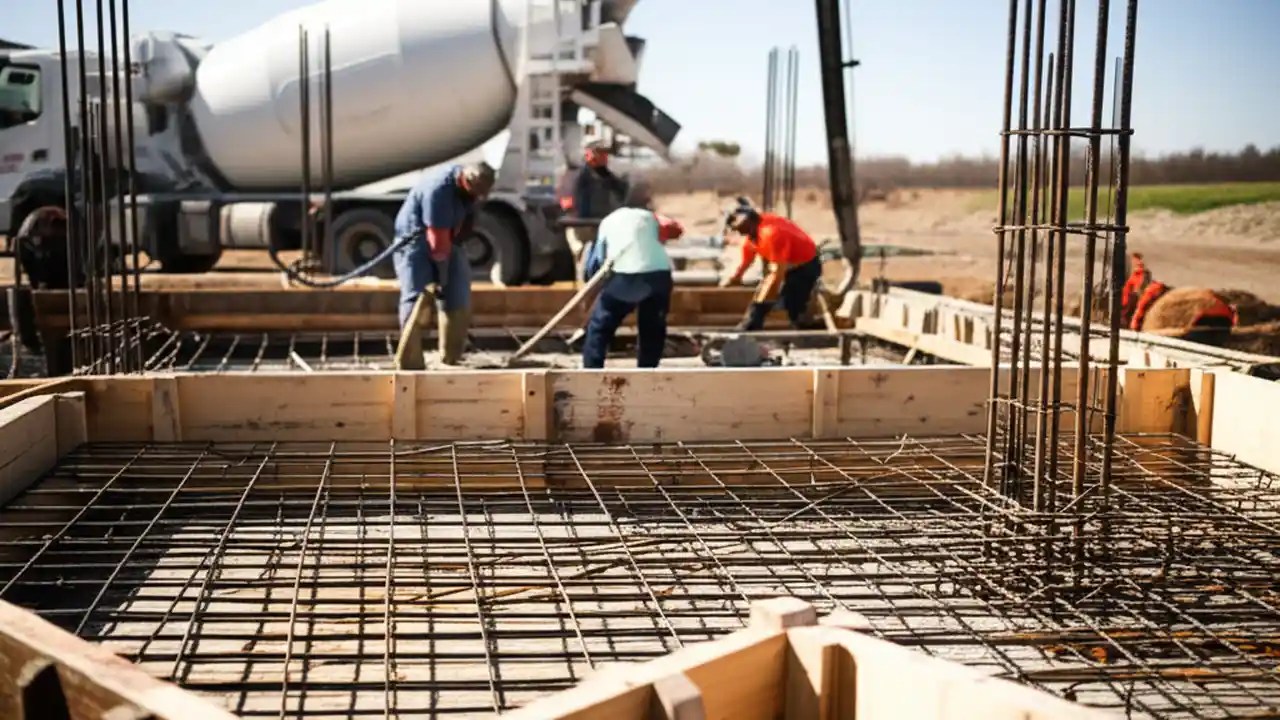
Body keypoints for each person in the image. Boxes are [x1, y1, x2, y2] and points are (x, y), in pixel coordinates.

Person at [392, 162, 495, 365]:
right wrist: (441, 277)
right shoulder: (438, 191)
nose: (479, 197)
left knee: (458, 292)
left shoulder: (470, 190)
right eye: (477, 192)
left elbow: (461, 227)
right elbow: (438, 245)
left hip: (449, 237)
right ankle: (410, 361)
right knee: (417, 296)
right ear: (466, 181)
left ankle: (451, 355)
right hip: (416, 241)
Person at [580, 198, 683, 369]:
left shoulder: (607, 222)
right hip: (659, 274)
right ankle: (648, 371)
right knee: (652, 326)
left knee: (600, 325)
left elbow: (596, 261)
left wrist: (594, 289)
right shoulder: (650, 217)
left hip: (626, 275)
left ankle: (591, 369)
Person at [719, 202, 822, 331]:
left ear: (748, 222)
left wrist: (758, 306)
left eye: (739, 227)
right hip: (786, 265)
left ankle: (810, 331)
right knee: (775, 297)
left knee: (794, 305)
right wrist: (735, 279)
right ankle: (758, 320)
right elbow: (746, 261)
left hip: (805, 266)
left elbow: (777, 274)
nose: (738, 231)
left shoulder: (771, 234)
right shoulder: (752, 237)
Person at [565, 140, 628, 275]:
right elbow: (573, 199)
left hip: (601, 225)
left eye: (605, 154)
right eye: (600, 153)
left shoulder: (605, 175)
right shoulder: (579, 174)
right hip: (583, 226)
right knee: (584, 260)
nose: (604, 157)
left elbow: (621, 191)